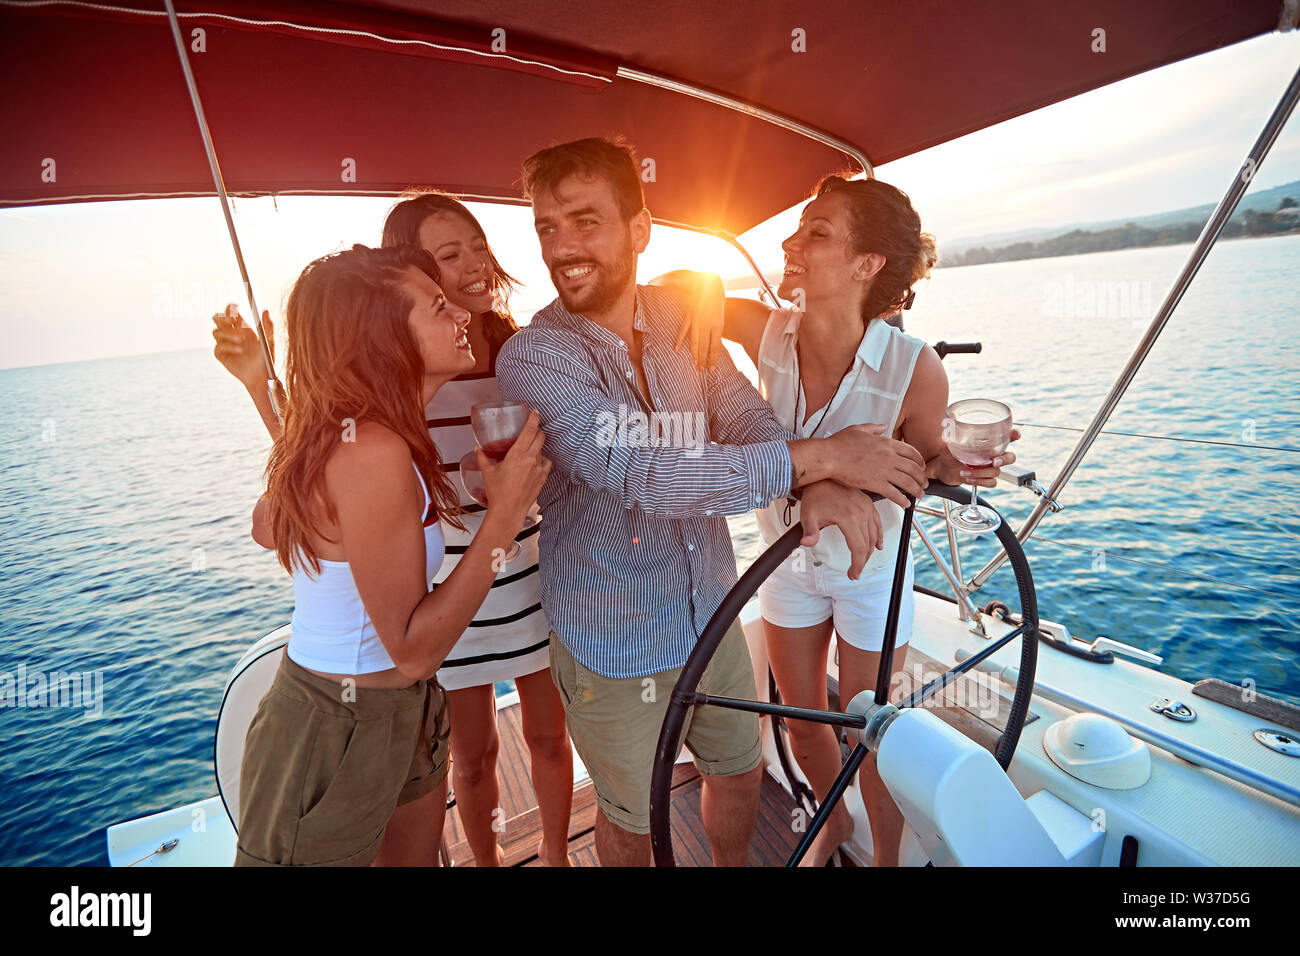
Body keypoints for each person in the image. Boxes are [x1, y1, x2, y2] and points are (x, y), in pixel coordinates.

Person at [495, 137, 930, 866]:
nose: (561, 247)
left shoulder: (682, 322)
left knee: (739, 774)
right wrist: (818, 457)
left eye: (584, 221)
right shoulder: (534, 357)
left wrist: (813, 478)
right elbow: (640, 469)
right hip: (613, 643)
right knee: (633, 819)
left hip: (713, 615)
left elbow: (743, 416)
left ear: (639, 230)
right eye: (546, 227)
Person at [658, 174, 1020, 866]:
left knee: (870, 734)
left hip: (868, 577)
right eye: (797, 228)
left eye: (816, 232)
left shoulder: (915, 370)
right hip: (786, 567)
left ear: (867, 265)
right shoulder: (759, 330)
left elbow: (925, 461)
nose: (791, 243)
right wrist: (704, 290)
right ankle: (835, 820)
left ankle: (884, 858)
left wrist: (957, 465)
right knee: (800, 728)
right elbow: (671, 286)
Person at [216, 194, 575, 868]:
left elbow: (282, 521)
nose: (460, 309)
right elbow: (410, 648)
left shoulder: (379, 437)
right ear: (385, 335)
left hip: (402, 710)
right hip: (335, 723)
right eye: (436, 305)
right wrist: (503, 514)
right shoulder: (373, 449)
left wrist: (261, 388)